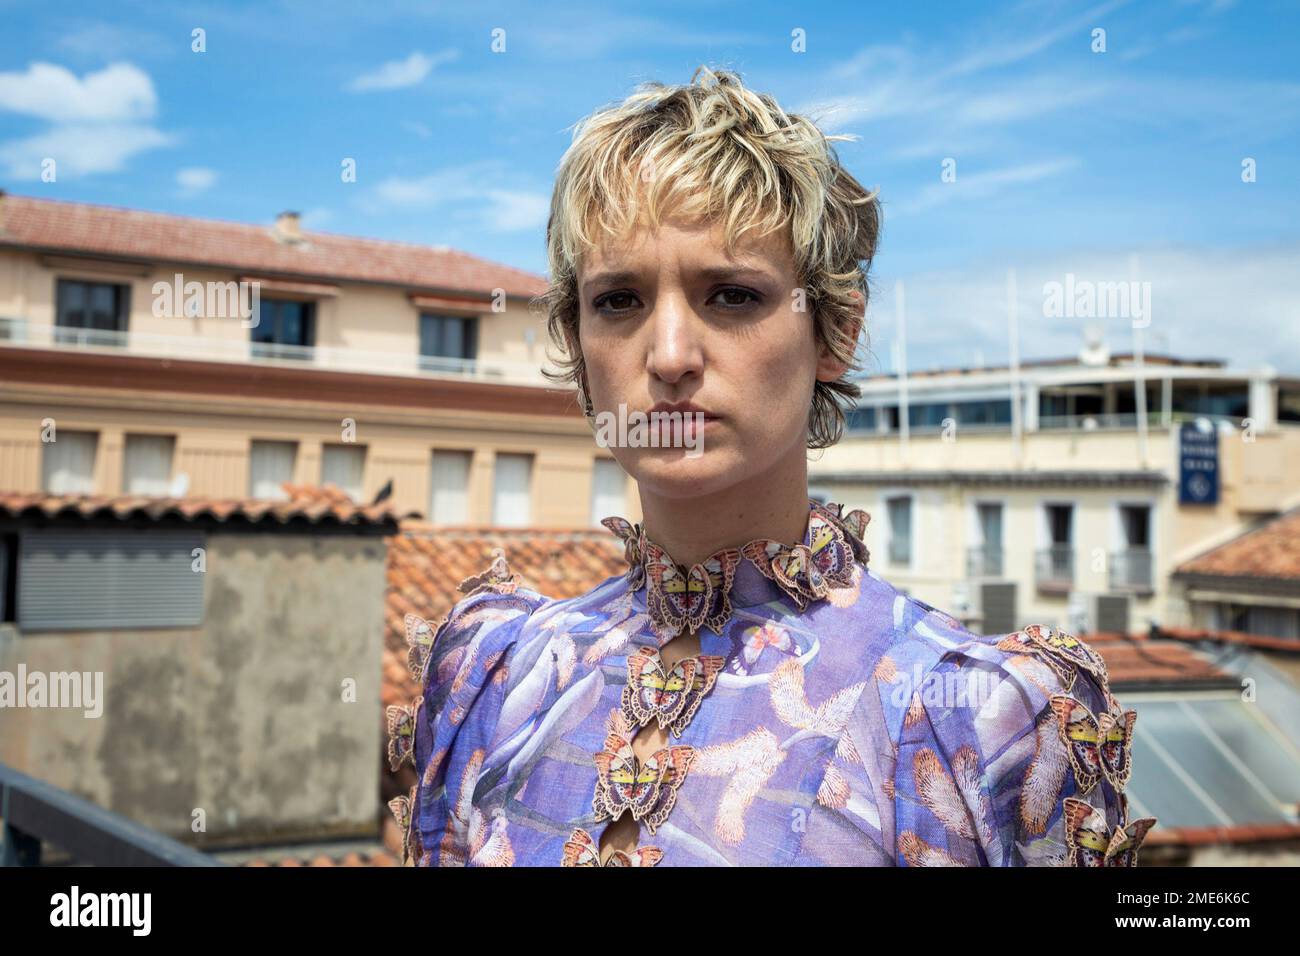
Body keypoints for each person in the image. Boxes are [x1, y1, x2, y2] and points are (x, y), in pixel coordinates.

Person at [386, 65, 1155, 867]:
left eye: (732, 296)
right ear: (577, 344)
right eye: (619, 300)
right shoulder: (494, 678)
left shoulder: (969, 717)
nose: (671, 357)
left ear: (835, 333)